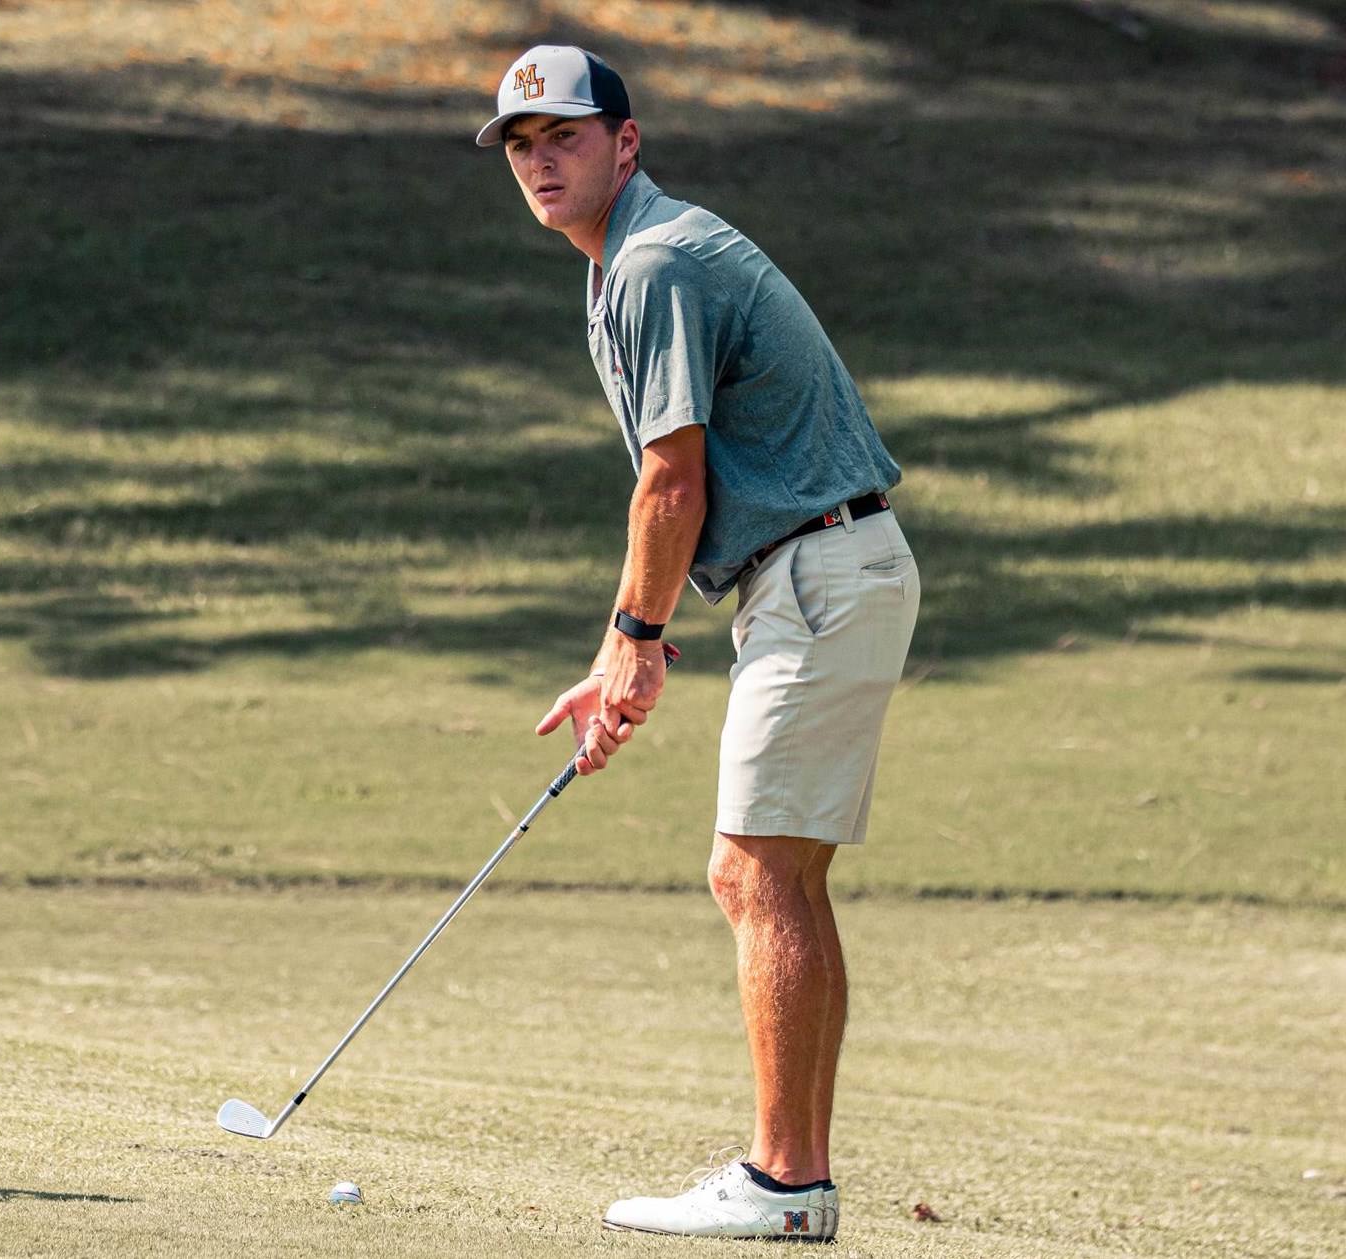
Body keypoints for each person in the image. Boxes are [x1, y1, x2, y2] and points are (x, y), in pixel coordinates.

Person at [479, 45, 920, 1243]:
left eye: (564, 136)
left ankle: (783, 1184)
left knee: (754, 873)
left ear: (626, 144)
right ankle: (800, 1180)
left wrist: (636, 636)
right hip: (820, 569)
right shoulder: (631, 257)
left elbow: (672, 480)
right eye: (521, 144)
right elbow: (688, 485)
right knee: (781, 874)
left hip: (819, 573)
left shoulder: (656, 260)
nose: (540, 161)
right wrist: (636, 643)